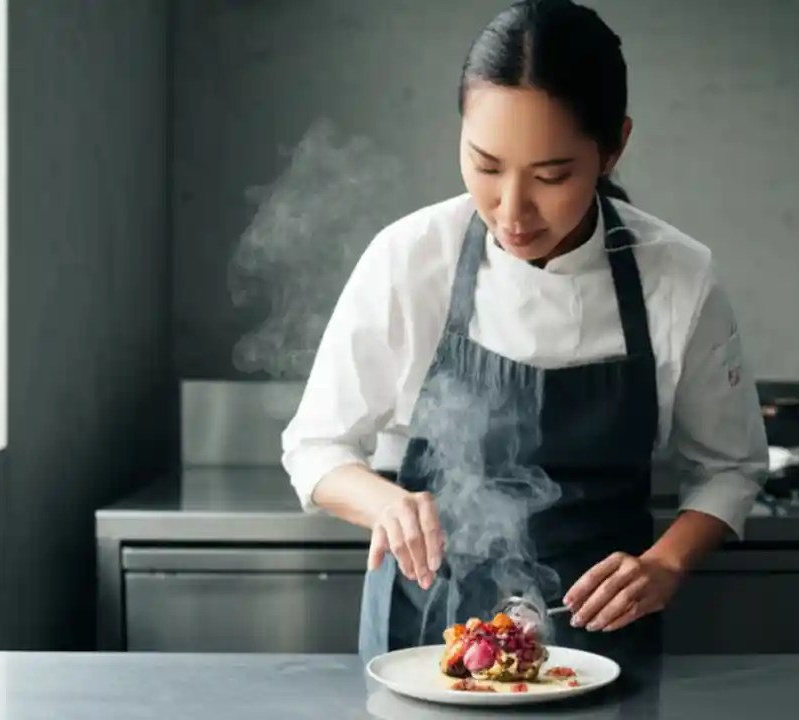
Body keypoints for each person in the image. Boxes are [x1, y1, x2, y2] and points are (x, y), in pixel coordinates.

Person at [281, 0, 768, 664]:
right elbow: (315, 447)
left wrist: (665, 565)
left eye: (551, 176)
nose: (512, 211)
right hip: (424, 636)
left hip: (597, 638)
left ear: (614, 146)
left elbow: (730, 469)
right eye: (485, 165)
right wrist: (384, 503)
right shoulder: (411, 258)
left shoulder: (677, 277)